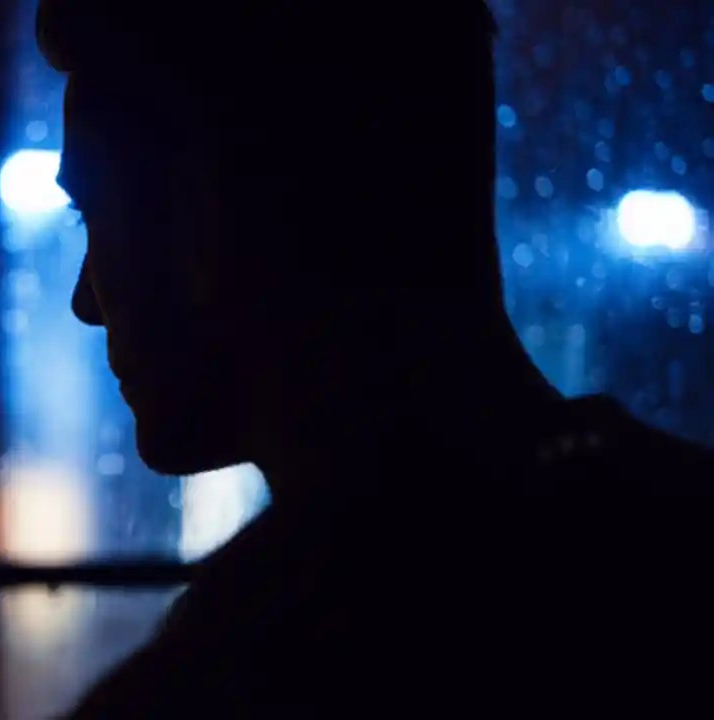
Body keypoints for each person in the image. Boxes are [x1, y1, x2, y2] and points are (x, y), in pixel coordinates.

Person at [40, 2, 714, 716]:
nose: (86, 299)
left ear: (196, 221)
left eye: (97, 217)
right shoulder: (679, 554)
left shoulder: (235, 676)